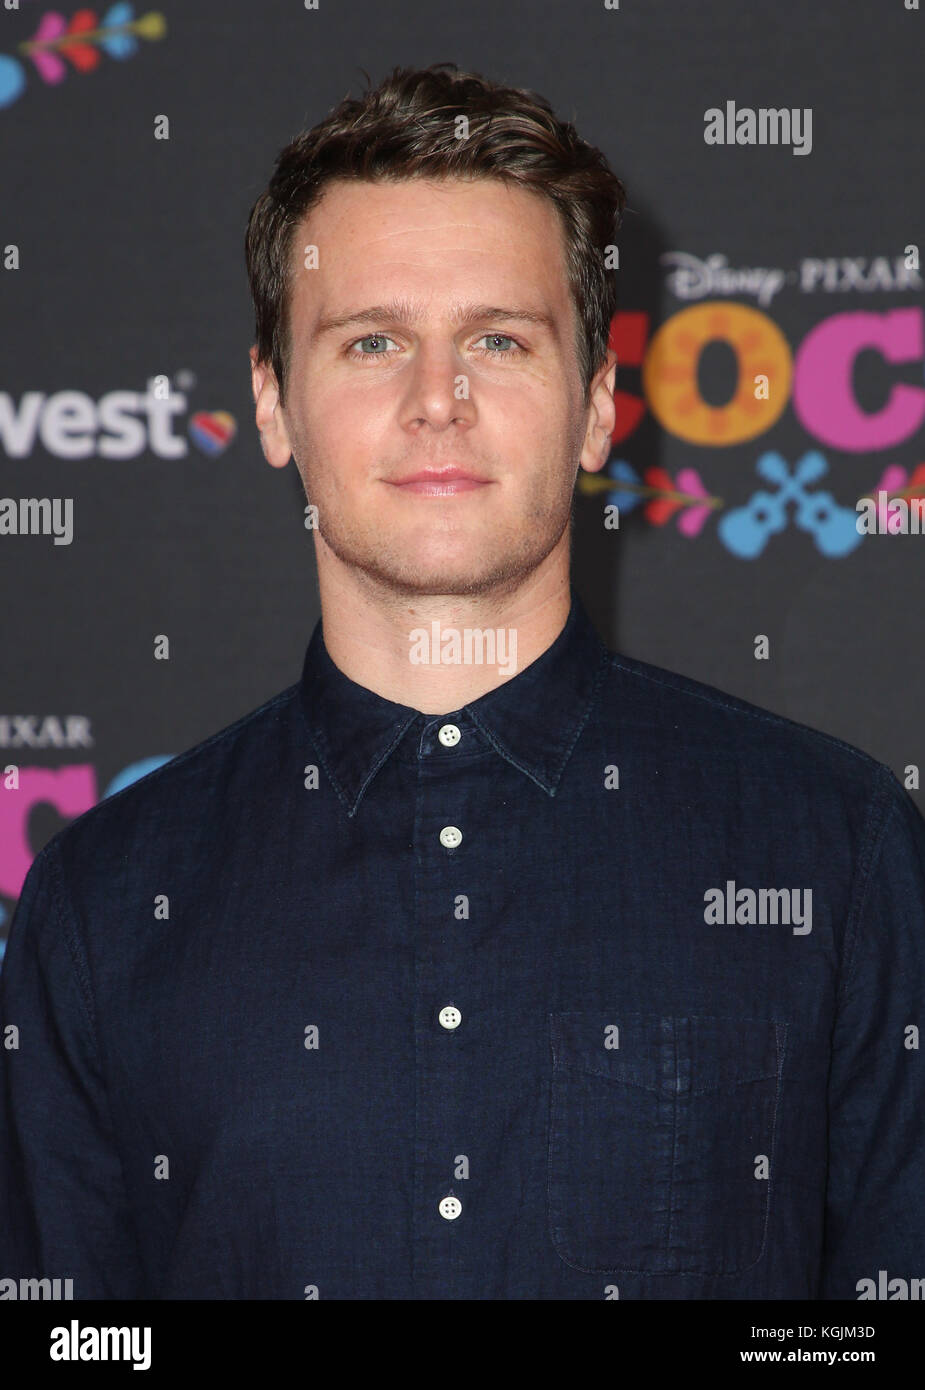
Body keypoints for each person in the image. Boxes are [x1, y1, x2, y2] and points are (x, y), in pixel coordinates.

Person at [2, 62, 923, 1302]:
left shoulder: (837, 856)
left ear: (597, 405)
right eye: (372, 341)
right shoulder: (101, 905)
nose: (438, 401)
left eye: (498, 339)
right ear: (273, 402)